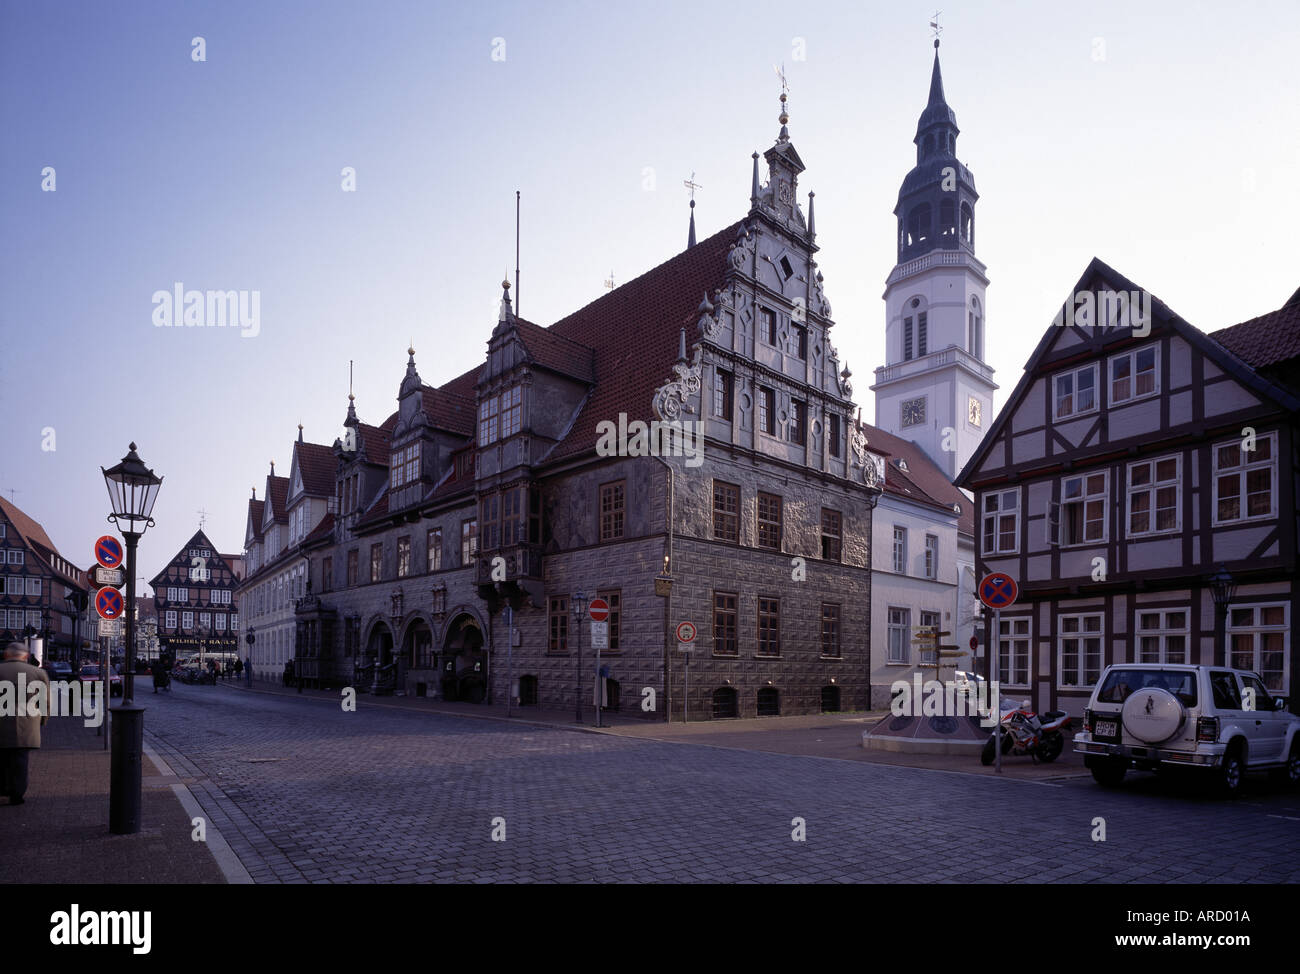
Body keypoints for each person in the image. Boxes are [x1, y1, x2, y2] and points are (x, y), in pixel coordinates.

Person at [0, 642, 51, 805]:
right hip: (27, 724)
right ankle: (17, 794)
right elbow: (45, 702)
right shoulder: (38, 673)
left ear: (6, 655)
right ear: (26, 656)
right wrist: (43, 720)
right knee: (21, 760)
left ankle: (3, 788)